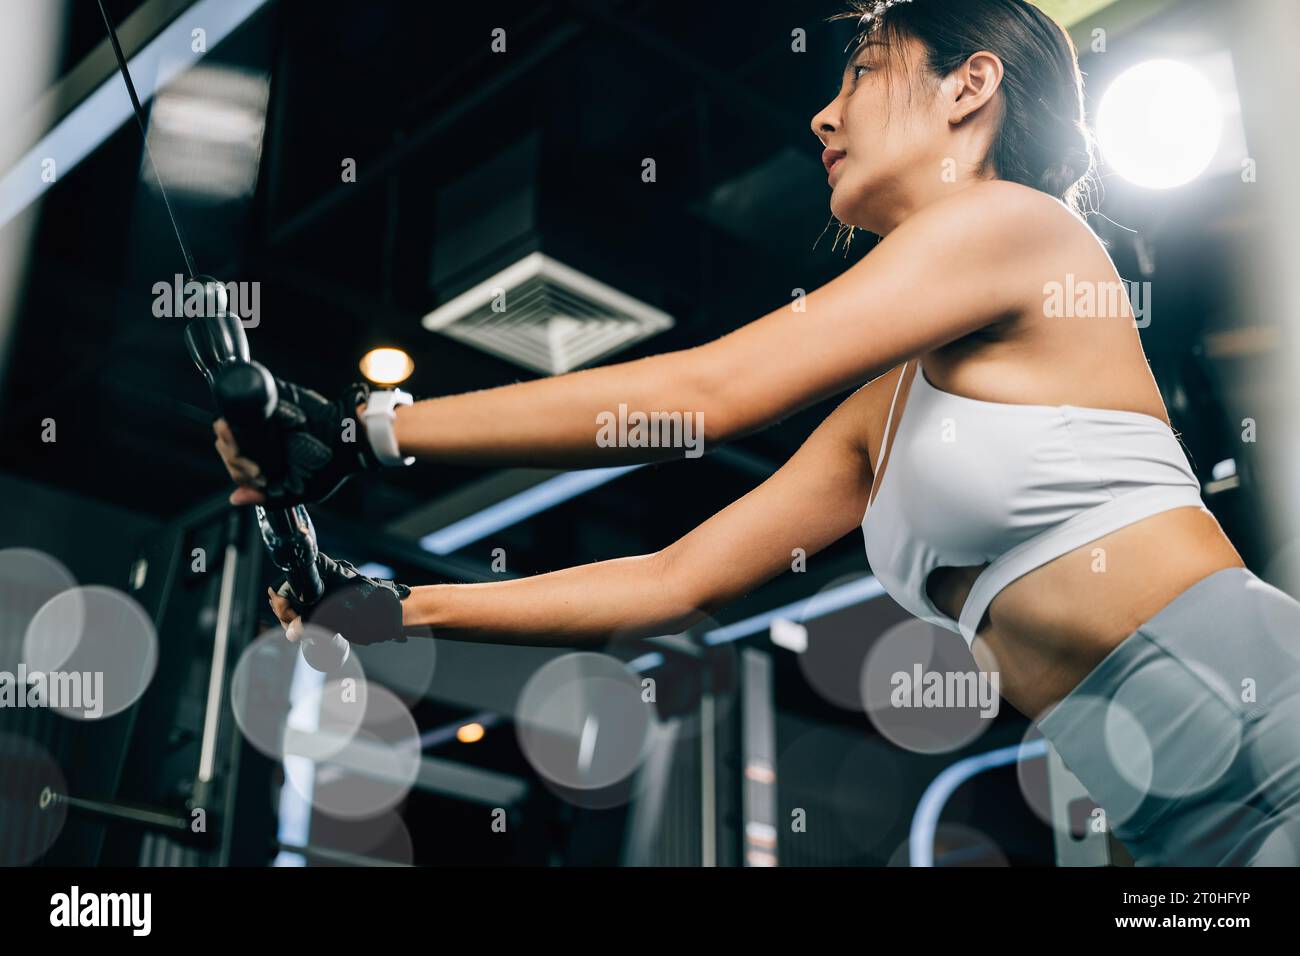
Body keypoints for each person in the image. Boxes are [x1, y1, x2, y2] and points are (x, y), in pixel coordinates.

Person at [214, 0, 1300, 865]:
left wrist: (365, 432)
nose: (824, 117)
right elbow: (673, 578)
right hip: (1160, 808)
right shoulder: (889, 410)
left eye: (861, 71)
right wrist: (389, 607)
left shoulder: (1018, 226)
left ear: (970, 84)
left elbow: (711, 390)